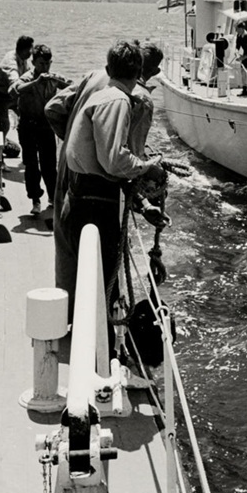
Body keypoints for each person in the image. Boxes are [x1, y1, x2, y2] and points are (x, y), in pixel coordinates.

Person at [53, 40, 166, 321]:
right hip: (96, 201)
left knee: (84, 270)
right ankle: (103, 351)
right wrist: (147, 167)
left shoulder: (99, 93)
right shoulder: (120, 101)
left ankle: (83, 328)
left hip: (78, 192)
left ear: (108, 67)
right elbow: (114, 160)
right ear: (140, 71)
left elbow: (53, 109)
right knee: (104, 282)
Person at [10, 44, 71, 215]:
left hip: (45, 126)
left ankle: (52, 196)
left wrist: (60, 83)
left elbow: (72, 86)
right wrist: (36, 82)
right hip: (28, 126)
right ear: (34, 62)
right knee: (31, 164)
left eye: (48, 63)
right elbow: (13, 90)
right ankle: (35, 199)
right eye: (42, 64)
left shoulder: (52, 77)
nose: (46, 67)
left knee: (49, 164)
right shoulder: (26, 77)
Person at [0, 35, 34, 136]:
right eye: (30, 50)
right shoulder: (10, 63)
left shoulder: (22, 57)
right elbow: (15, 84)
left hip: (10, 96)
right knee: (4, 125)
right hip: (0, 96)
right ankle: (0, 147)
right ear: (24, 50)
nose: (31, 53)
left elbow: (28, 72)